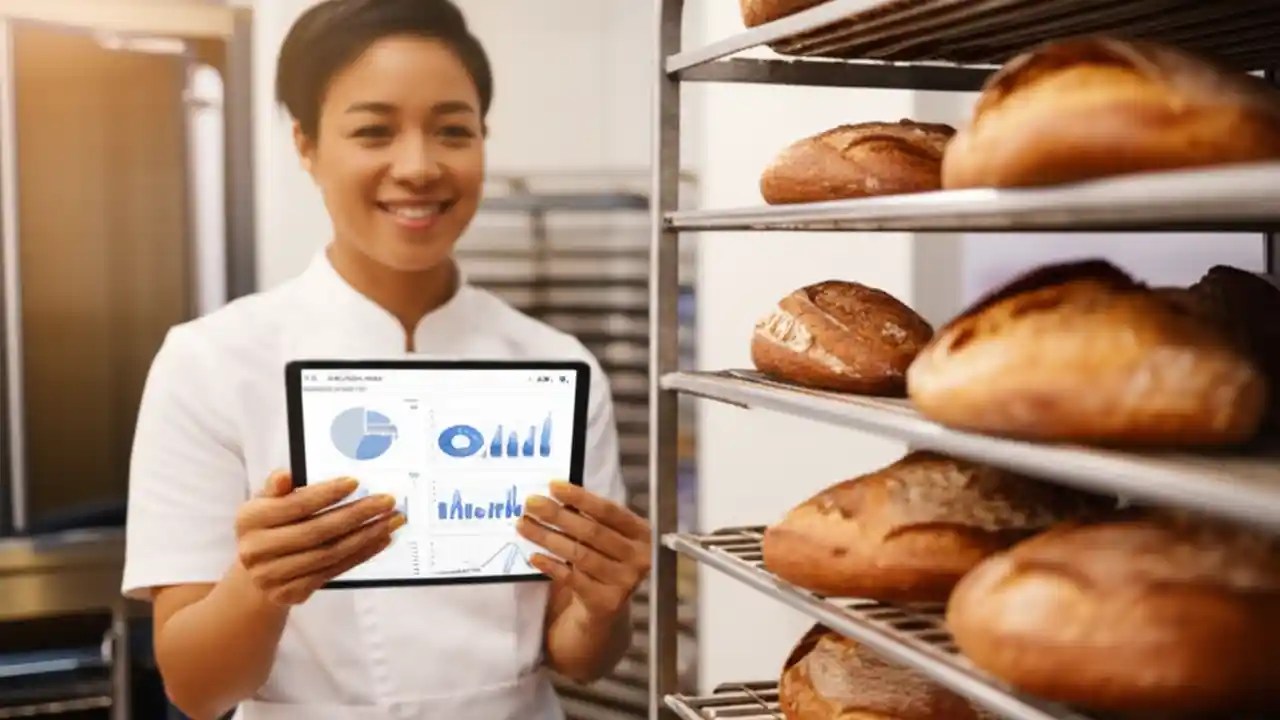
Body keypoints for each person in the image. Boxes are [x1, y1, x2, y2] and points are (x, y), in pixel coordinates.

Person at [120, 2, 652, 718]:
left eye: (453, 130)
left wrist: (602, 604)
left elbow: (579, 654)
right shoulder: (211, 364)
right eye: (374, 131)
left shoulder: (558, 366)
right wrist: (259, 585)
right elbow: (196, 689)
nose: (419, 167)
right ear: (306, 145)